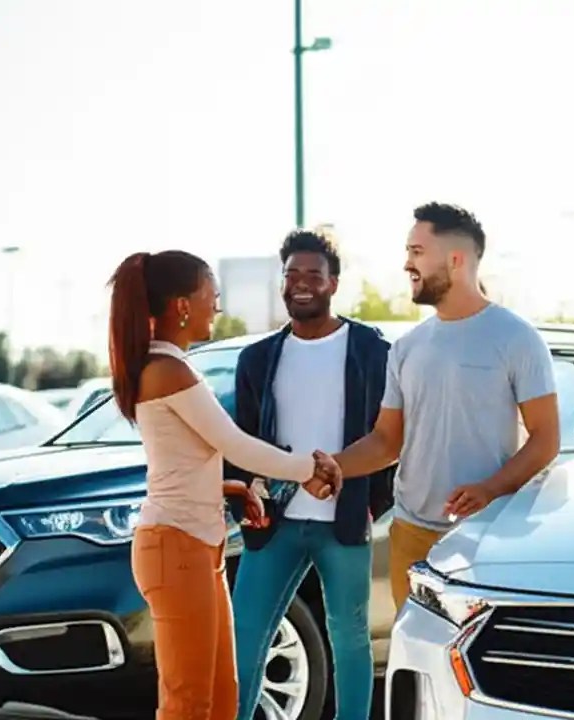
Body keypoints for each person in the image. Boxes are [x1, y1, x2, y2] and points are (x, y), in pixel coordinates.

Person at [107, 250, 340, 720]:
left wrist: (228, 489)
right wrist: (311, 469)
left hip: (197, 546)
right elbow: (237, 445)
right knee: (188, 702)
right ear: (181, 306)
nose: (217, 305)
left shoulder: (170, 367)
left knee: (220, 699)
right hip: (176, 549)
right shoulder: (166, 370)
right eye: (211, 294)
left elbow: (183, 459)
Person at [334, 202, 561, 611]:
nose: (407, 264)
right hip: (411, 536)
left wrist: (489, 489)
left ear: (455, 260)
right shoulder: (406, 347)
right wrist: (330, 467)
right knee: (415, 662)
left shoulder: (517, 338)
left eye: (417, 252)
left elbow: (546, 439)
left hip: (484, 537)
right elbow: (387, 441)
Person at [227, 229, 392, 720]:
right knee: (247, 633)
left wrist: (368, 502)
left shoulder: (370, 350)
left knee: (349, 636)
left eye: (313, 275)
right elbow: (243, 441)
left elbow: (390, 434)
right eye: (291, 274)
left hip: (342, 521)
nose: (301, 284)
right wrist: (249, 500)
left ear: (333, 284)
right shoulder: (256, 359)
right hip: (274, 524)